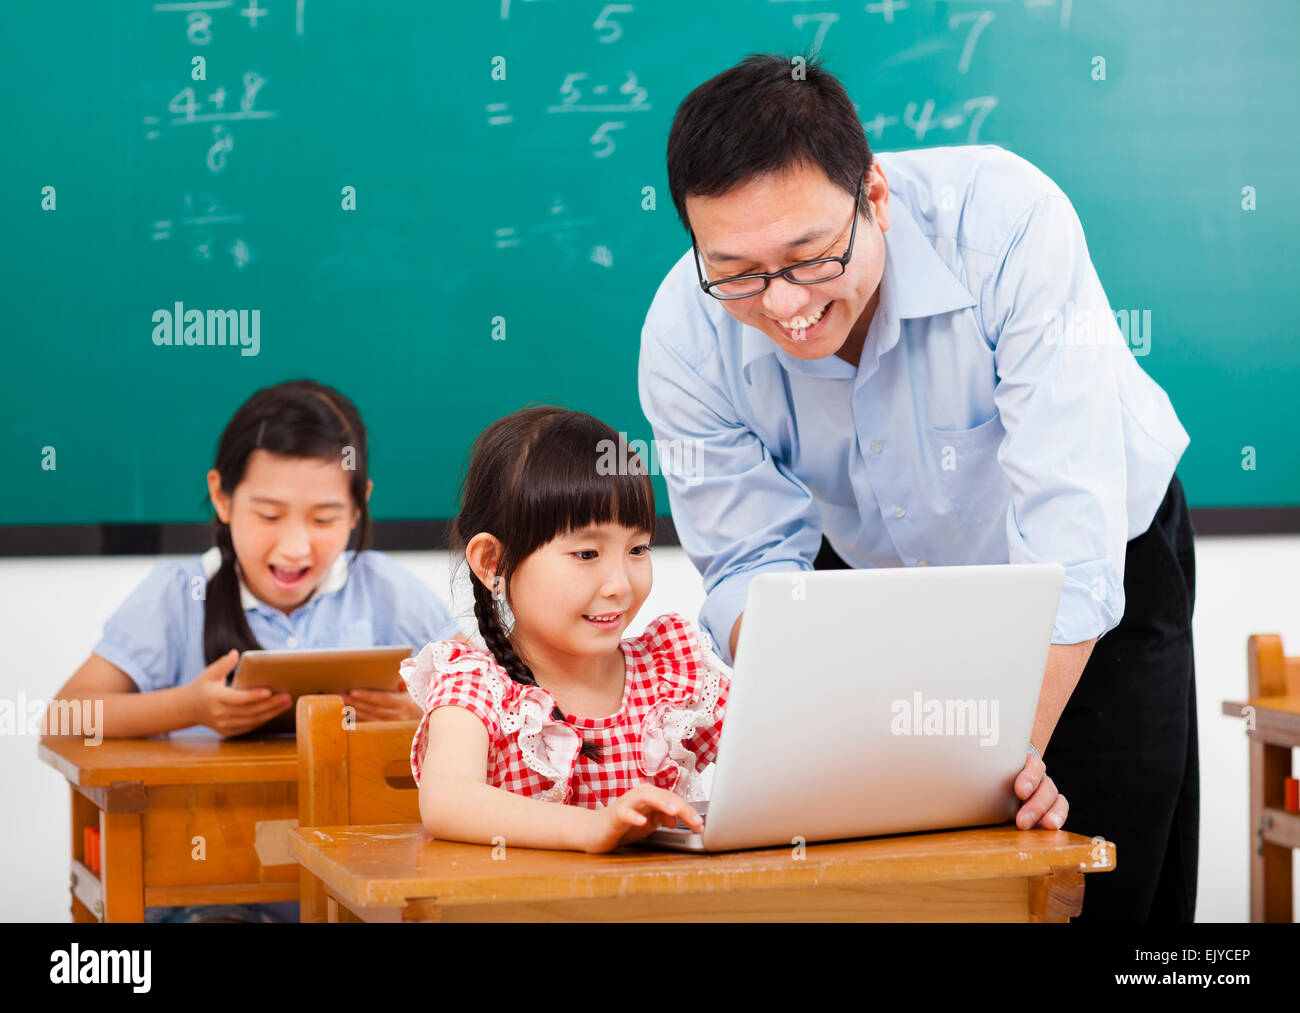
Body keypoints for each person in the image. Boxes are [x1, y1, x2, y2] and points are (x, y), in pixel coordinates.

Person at [638, 53, 1195, 921]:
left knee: (1112, 877)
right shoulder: (683, 337)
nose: (782, 304)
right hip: (878, 586)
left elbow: (1070, 529)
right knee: (906, 885)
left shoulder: (1007, 224)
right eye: (737, 272)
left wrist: (991, 767)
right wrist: (849, 750)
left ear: (876, 197)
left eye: (809, 257)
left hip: (1098, 566)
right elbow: (751, 566)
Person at [47, 379, 467, 919]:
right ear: (222, 496)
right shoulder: (178, 595)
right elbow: (62, 718)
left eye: (323, 518)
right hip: (205, 894)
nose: (294, 546)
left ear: (359, 505)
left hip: (355, 892)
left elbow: (495, 709)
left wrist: (419, 716)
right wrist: (190, 708)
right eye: (269, 516)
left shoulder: (385, 590)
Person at [402, 405, 728, 853]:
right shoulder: (477, 684)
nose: (619, 585)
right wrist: (591, 828)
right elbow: (447, 802)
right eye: (586, 554)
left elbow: (779, 750)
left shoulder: (672, 671)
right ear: (492, 563)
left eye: (638, 549)